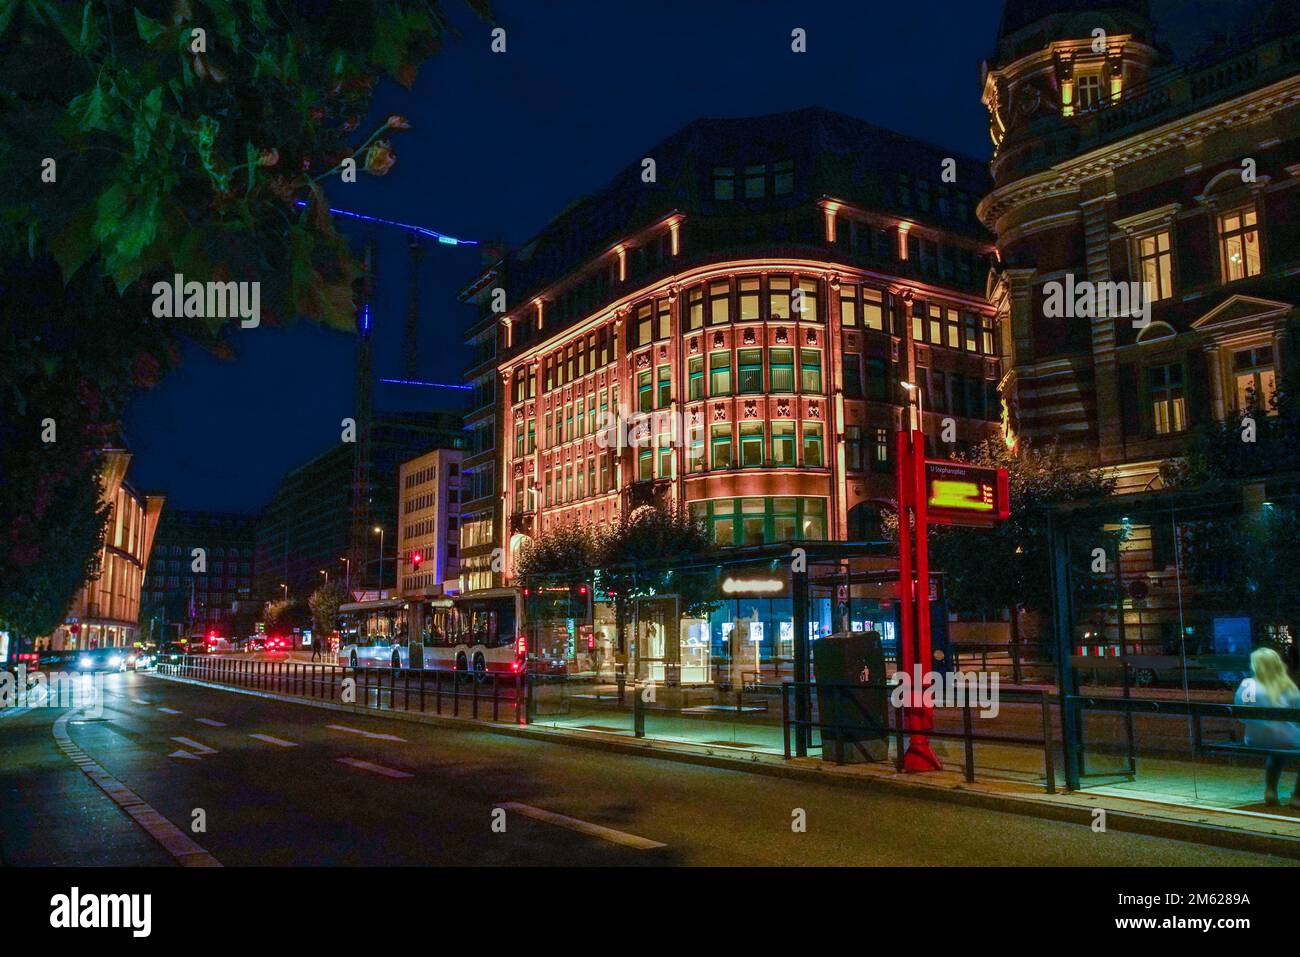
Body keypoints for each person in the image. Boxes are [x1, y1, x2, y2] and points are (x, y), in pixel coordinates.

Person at [1234, 647, 1300, 807]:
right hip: (1285, 739)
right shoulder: (1286, 686)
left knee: (1277, 752)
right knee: (1282, 744)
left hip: (1253, 739)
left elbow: (1241, 717)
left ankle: (1270, 791)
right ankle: (1297, 796)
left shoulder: (1246, 684)